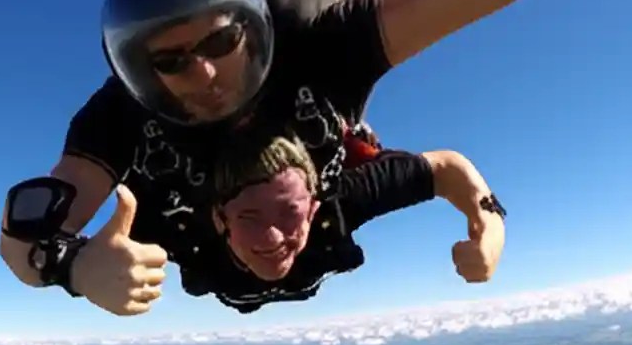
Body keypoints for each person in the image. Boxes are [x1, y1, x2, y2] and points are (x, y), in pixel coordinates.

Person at [0, 0, 566, 317]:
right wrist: (77, 268)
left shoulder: (318, 53)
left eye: (220, 40)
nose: (205, 74)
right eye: (170, 60)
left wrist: (490, 221)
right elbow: (25, 238)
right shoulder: (123, 122)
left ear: (252, 24)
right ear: (141, 72)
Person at [200, 134, 505, 313]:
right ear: (219, 219)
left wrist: (490, 233)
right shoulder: (182, 228)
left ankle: (353, 139)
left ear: (312, 210)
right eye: (249, 218)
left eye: (288, 212)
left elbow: (446, 168)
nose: (271, 238)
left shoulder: (340, 201)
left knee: (356, 148)